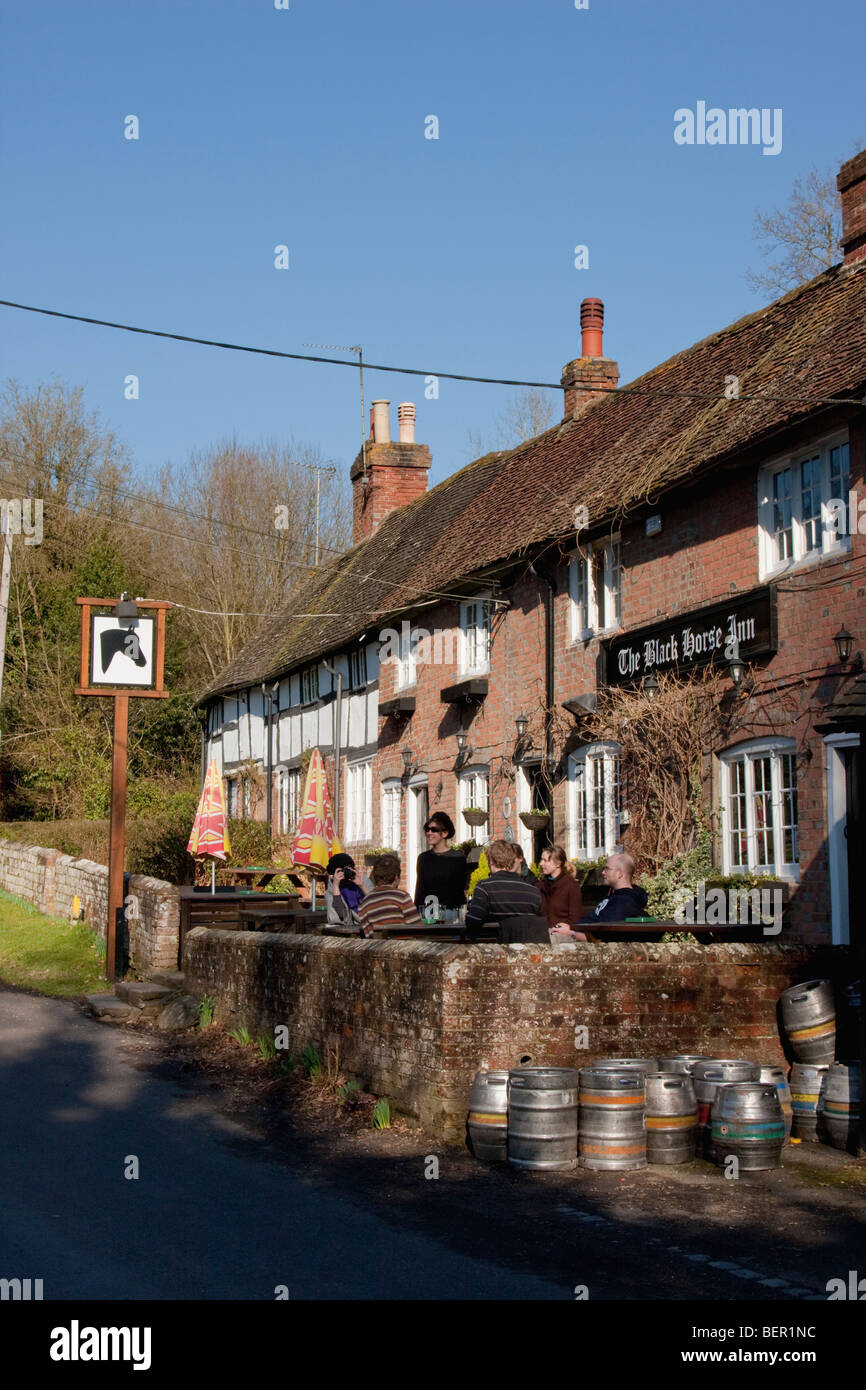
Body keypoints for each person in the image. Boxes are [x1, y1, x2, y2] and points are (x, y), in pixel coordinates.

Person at [551, 852, 648, 941]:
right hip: (577, 932)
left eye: (607, 869)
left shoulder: (624, 901)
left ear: (620, 874)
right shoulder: (616, 895)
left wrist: (571, 932)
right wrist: (570, 927)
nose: (603, 872)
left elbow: (603, 938)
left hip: (583, 943)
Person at [465, 838, 544, 936]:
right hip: (527, 946)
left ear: (491, 861)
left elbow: (473, 921)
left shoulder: (484, 887)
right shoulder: (533, 890)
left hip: (496, 945)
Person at [414, 812, 469, 914]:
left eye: (434, 830)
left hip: (451, 912)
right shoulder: (423, 858)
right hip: (429, 914)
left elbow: (459, 888)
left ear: (445, 833)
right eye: (427, 829)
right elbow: (420, 889)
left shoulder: (458, 858)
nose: (429, 833)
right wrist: (418, 913)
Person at [357, 853, 423, 935]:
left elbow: (368, 934)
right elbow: (418, 928)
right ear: (396, 878)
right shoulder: (402, 897)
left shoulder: (364, 903)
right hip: (404, 946)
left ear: (374, 877)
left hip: (377, 946)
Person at [538, 844, 584, 930]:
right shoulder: (540, 885)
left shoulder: (571, 886)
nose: (541, 863)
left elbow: (575, 918)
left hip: (562, 935)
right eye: (541, 860)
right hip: (541, 933)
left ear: (558, 864)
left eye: (545, 860)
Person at [325, 852, 366, 928]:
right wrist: (336, 886)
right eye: (343, 869)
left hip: (365, 923)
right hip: (345, 927)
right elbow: (341, 916)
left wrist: (361, 886)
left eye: (349, 868)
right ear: (334, 873)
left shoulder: (363, 881)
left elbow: (375, 905)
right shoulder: (331, 889)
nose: (346, 872)